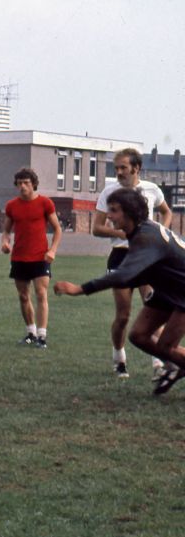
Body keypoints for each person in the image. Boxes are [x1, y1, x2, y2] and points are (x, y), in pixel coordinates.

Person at [55, 187, 185, 396]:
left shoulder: (145, 237)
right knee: (138, 335)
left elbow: (122, 276)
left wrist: (79, 289)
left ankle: (177, 364)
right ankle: (178, 366)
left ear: (130, 211)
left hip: (181, 292)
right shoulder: (140, 233)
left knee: (165, 348)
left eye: (114, 211)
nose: (110, 217)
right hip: (169, 290)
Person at [93, 148, 172, 378]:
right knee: (124, 315)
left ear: (136, 168)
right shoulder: (109, 191)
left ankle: (159, 362)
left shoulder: (151, 189)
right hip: (121, 257)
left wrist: (161, 232)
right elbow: (97, 228)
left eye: (123, 168)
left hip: (148, 258)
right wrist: (123, 235)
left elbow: (166, 212)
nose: (118, 172)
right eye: (116, 168)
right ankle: (119, 358)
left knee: (154, 311)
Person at [1, 167, 61, 348]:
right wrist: (5, 242)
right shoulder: (12, 206)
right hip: (19, 257)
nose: (22, 186)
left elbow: (57, 229)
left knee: (41, 294)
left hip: (40, 257)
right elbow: (6, 230)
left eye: (26, 183)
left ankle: (42, 336)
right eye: (19, 183)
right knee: (23, 296)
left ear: (33, 184)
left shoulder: (45, 203)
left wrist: (52, 250)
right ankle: (30, 332)